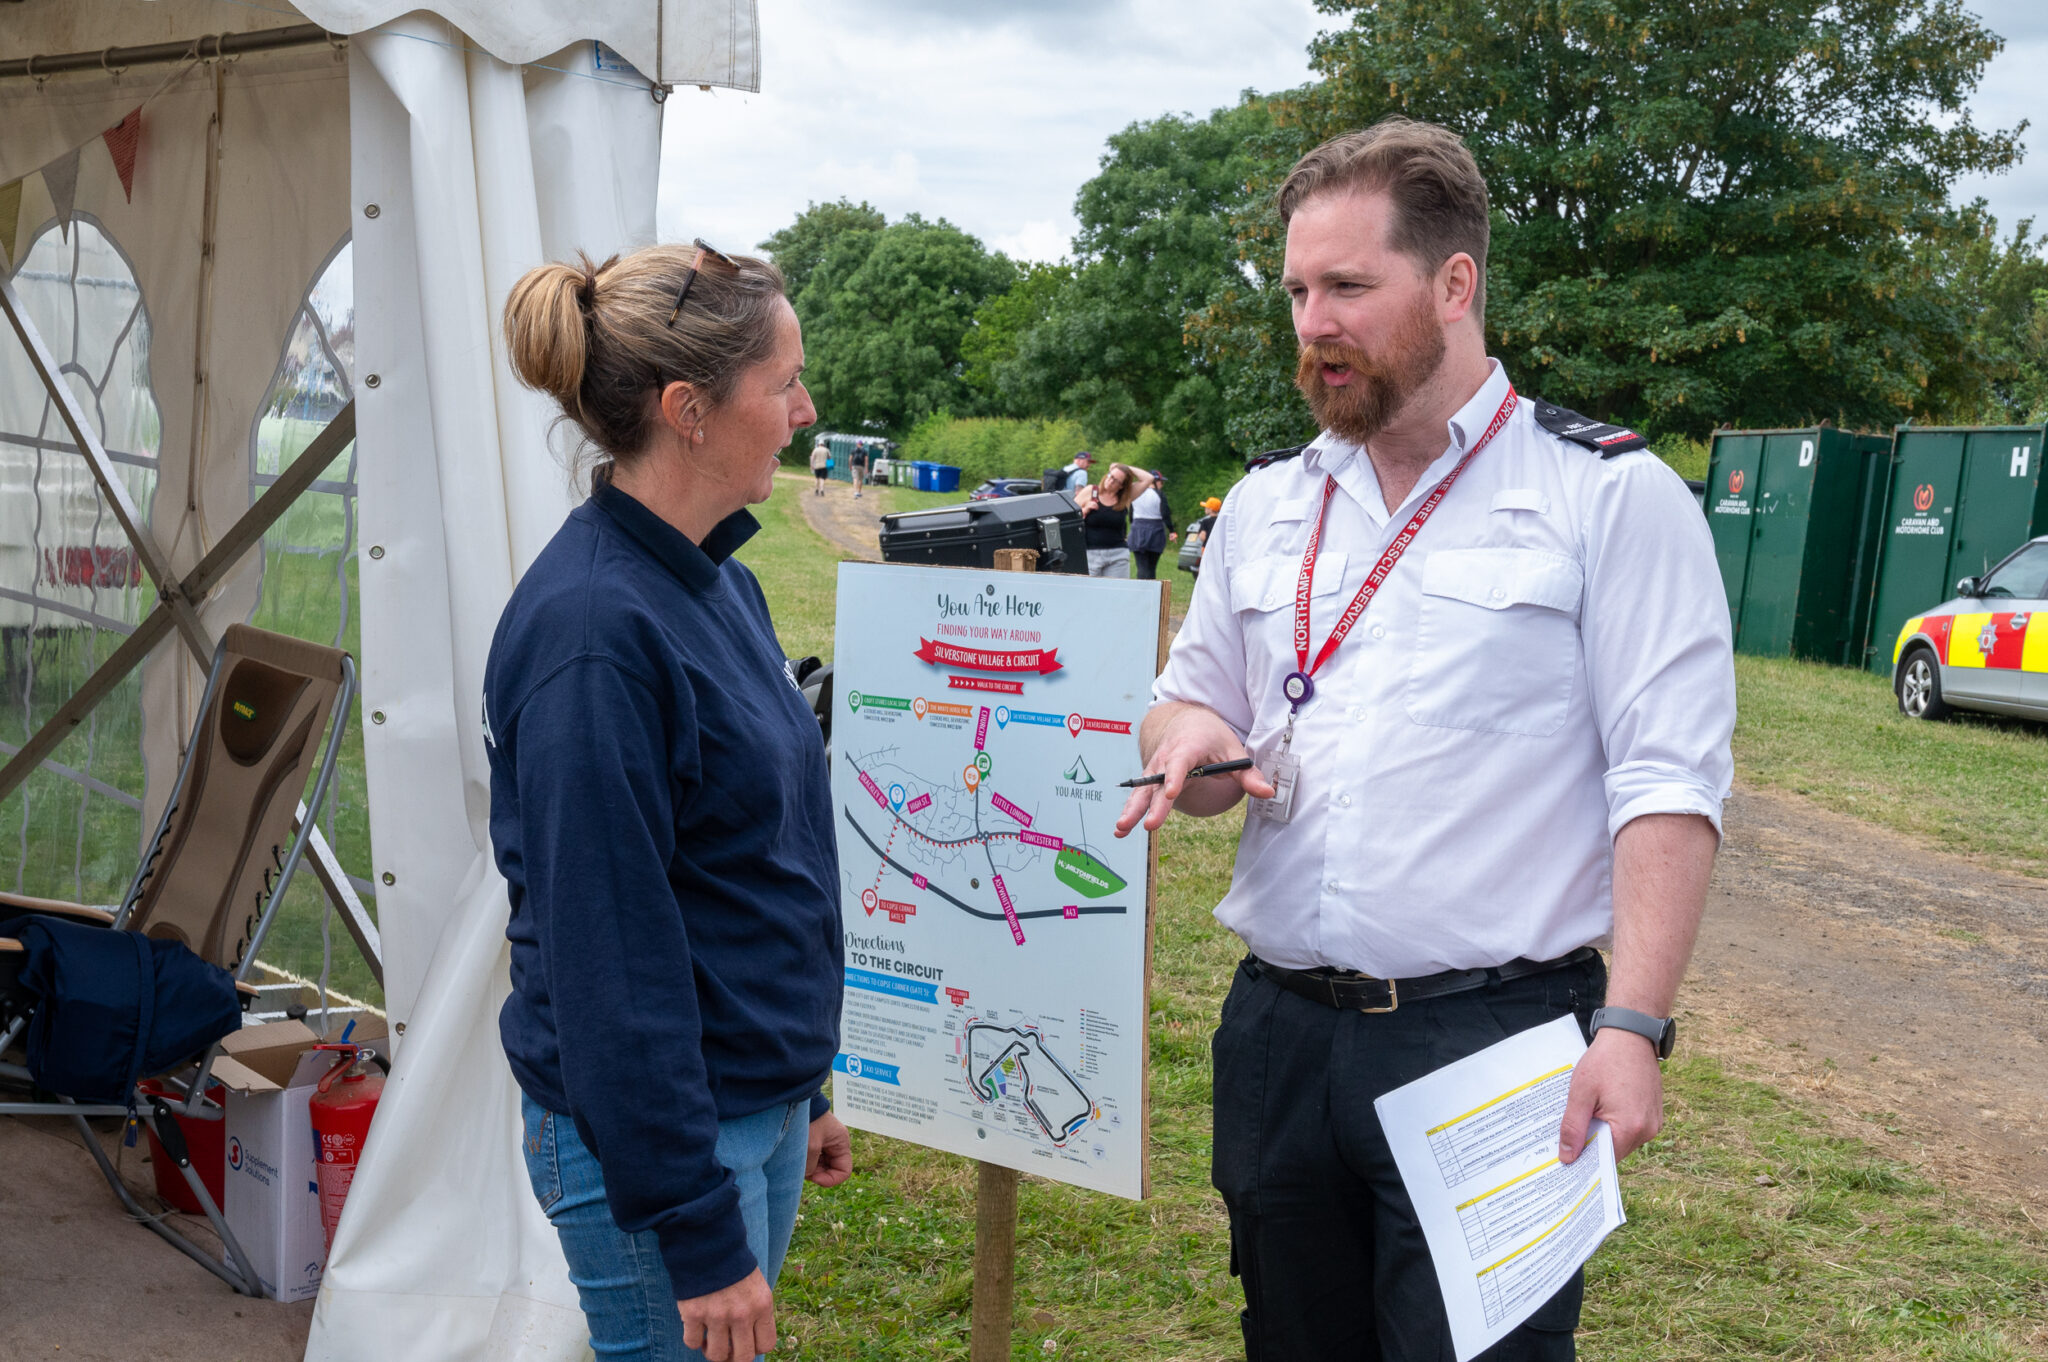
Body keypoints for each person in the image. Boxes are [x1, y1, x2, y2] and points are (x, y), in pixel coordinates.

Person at [1113, 117, 1733, 1361]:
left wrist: (1633, 1025)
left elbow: (1665, 781)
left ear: (1454, 285)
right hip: (1279, 1035)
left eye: (1347, 286)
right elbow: (1187, 697)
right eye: (1295, 289)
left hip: (1492, 1044)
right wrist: (1191, 747)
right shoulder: (1270, 502)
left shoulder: (1606, 497)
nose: (1310, 323)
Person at [489, 241, 854, 1362]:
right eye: (782, 383)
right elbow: (610, 959)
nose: (802, 409)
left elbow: (757, 860)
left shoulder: (717, 582)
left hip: (753, 1101)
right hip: (655, 1146)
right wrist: (696, 1230)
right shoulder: (596, 637)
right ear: (690, 409)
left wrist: (806, 1083)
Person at [1127, 468, 1176, 579]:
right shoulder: (1159, 494)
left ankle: (1140, 591)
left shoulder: (1136, 494)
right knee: (1151, 567)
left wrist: (1133, 528)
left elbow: (1131, 514)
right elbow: (1165, 513)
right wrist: (1172, 530)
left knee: (1141, 566)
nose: (1162, 485)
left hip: (1137, 528)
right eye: (1161, 482)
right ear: (1155, 481)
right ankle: (1150, 592)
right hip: (1155, 529)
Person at [1185, 496, 1221, 577]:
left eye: (1206, 507)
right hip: (1217, 547)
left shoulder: (1205, 521)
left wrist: (1198, 535)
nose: (1205, 508)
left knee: (1205, 566)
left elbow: (1203, 537)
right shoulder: (1220, 521)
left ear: (1211, 509)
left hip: (1206, 548)